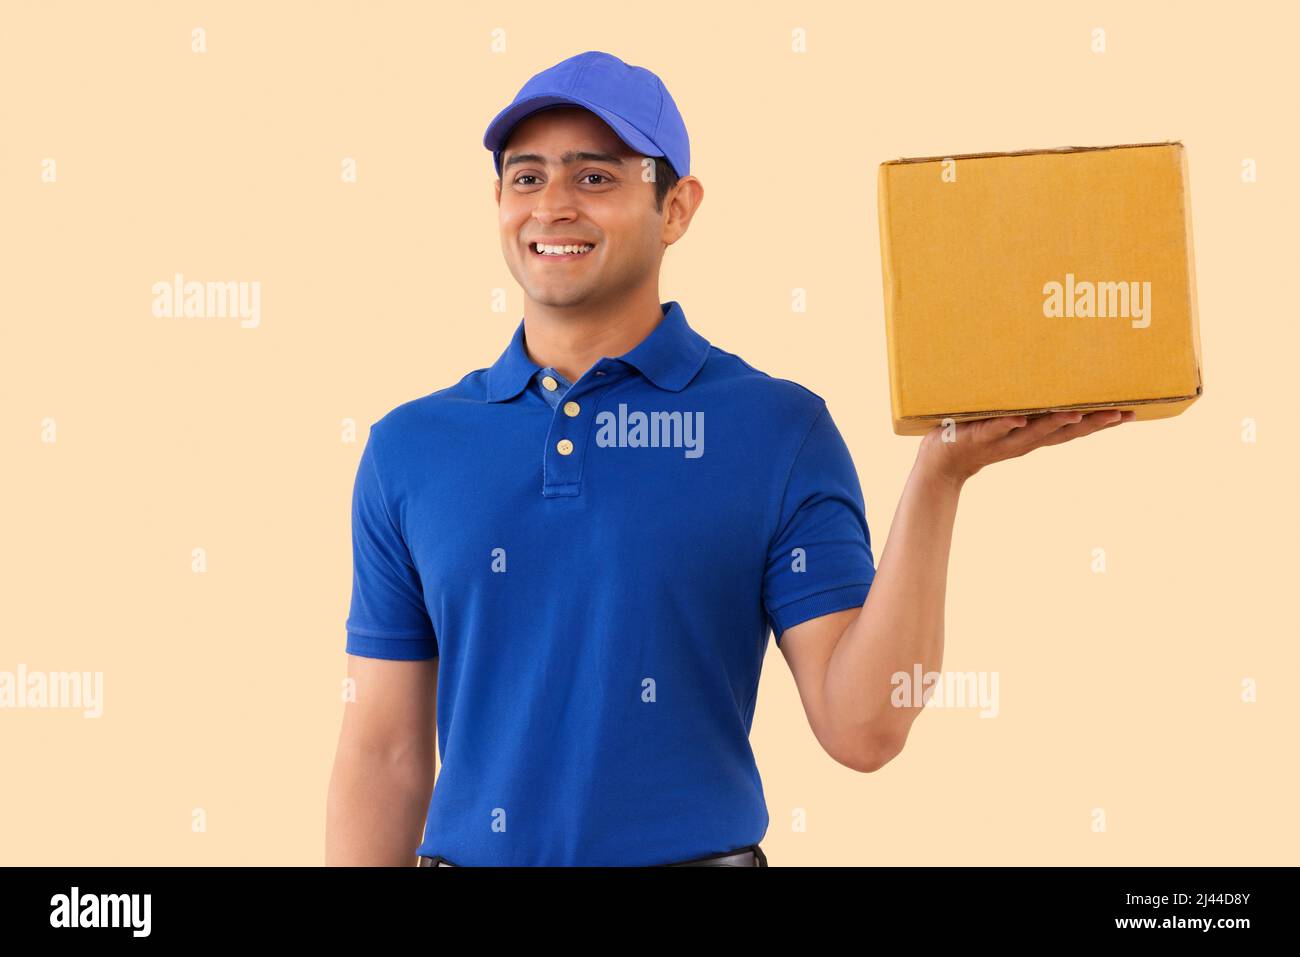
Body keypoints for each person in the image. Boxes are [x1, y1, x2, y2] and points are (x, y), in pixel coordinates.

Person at [324, 50, 1134, 868]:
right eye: (526, 178)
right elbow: (383, 754)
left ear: (676, 208)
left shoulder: (777, 430)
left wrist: (939, 476)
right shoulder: (411, 448)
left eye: (596, 178)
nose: (554, 205)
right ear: (498, 201)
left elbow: (865, 725)